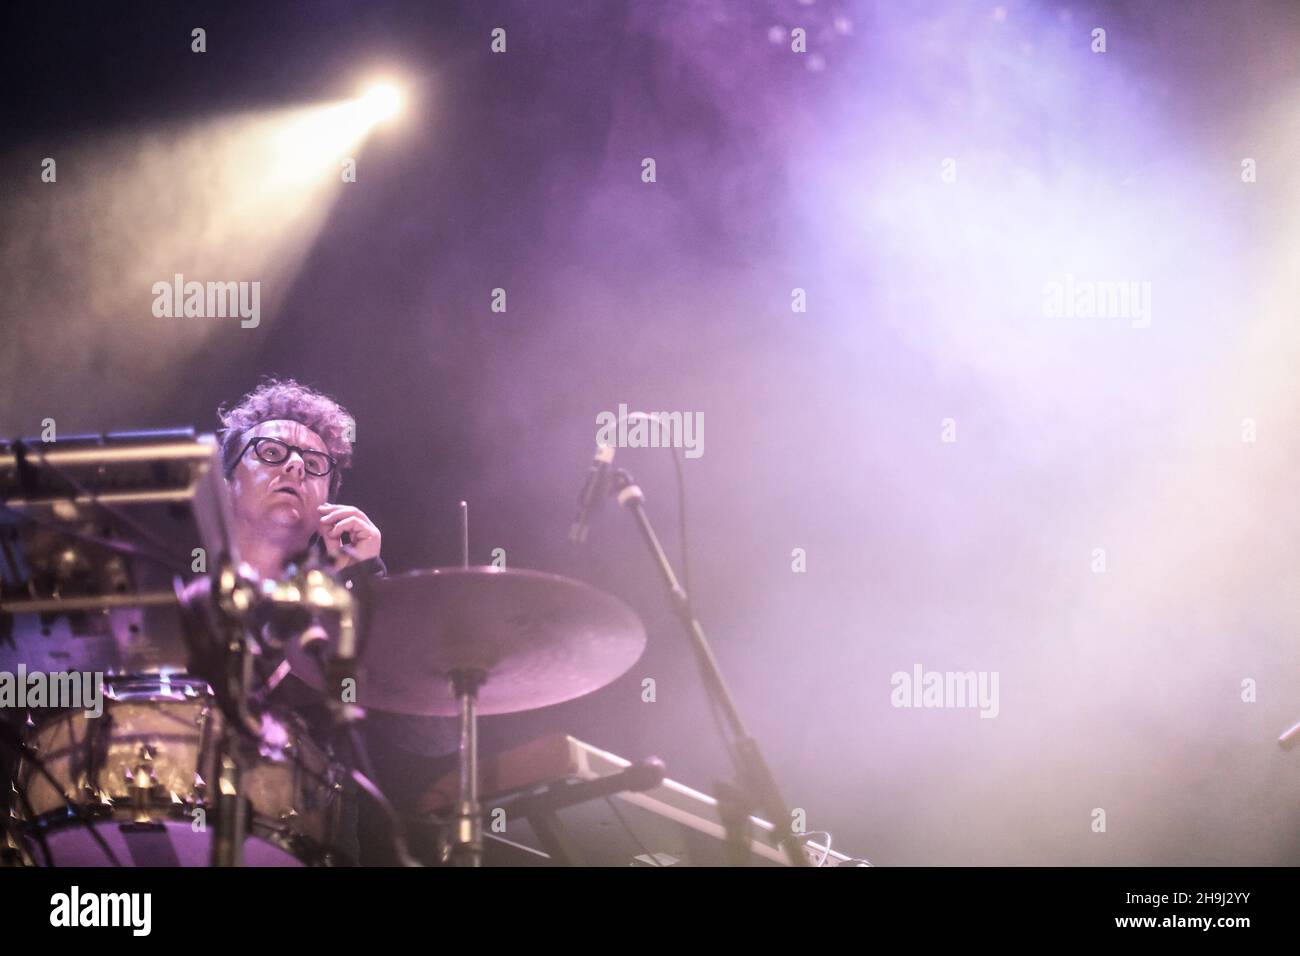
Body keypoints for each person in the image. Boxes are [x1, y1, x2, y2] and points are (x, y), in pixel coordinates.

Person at [217, 377, 456, 864]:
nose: (296, 465)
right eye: (270, 451)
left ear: (325, 500)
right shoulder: (164, 584)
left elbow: (432, 738)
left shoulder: (337, 609)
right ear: (226, 483)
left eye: (314, 463)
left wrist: (368, 581)